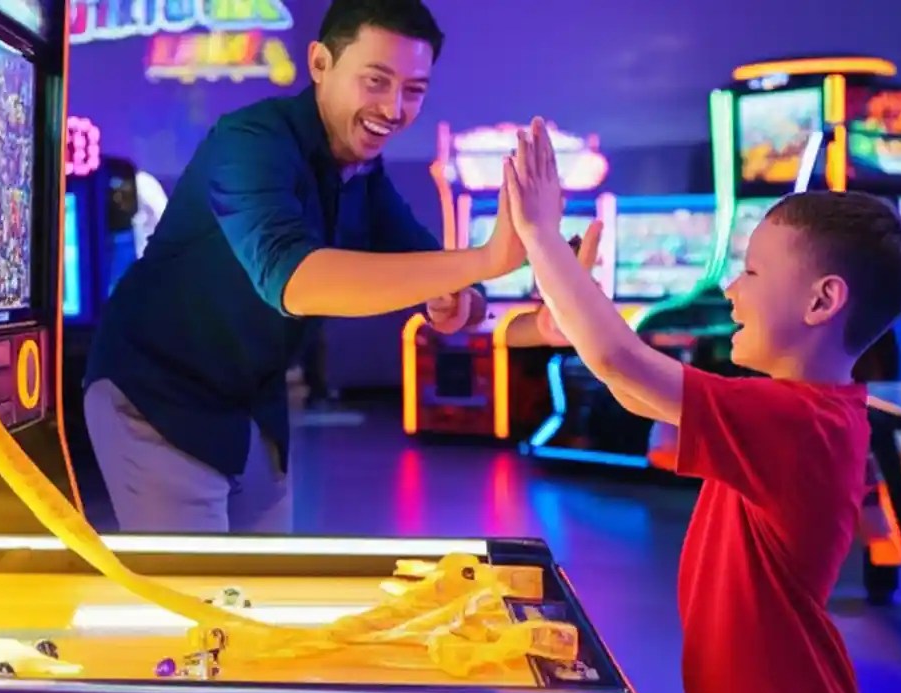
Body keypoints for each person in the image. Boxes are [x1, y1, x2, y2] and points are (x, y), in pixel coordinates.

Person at [83, 1, 593, 534]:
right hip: (153, 388)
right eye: (376, 81)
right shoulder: (250, 141)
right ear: (320, 63)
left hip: (248, 399)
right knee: (199, 598)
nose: (394, 108)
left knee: (265, 585)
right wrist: (489, 257)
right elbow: (298, 283)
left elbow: (445, 289)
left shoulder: (363, 174)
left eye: (414, 90)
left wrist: (545, 324)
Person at [501, 118, 901, 693]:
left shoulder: (797, 420)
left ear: (822, 301)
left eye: (751, 272)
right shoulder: (806, 410)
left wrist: (540, 236)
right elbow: (633, 391)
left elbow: (622, 361)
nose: (730, 288)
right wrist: (572, 309)